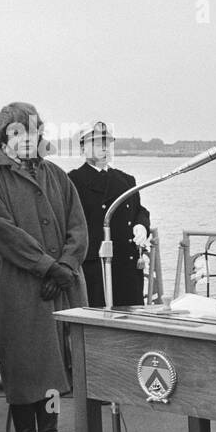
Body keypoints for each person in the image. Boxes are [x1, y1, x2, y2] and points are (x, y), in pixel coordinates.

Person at [0, 102, 88, 432]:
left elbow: (78, 226)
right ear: (4, 137)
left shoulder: (57, 175)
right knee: (25, 368)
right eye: (17, 132)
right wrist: (47, 266)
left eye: (33, 131)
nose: (27, 138)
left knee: (56, 370)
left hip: (63, 286)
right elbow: (2, 232)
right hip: (20, 288)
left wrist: (67, 266)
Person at [67, 121, 151, 308]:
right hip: (95, 267)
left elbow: (139, 211)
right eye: (97, 144)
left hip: (126, 266)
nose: (103, 148)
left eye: (106, 144)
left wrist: (141, 226)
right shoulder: (72, 181)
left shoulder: (126, 180)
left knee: (132, 321)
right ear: (83, 149)